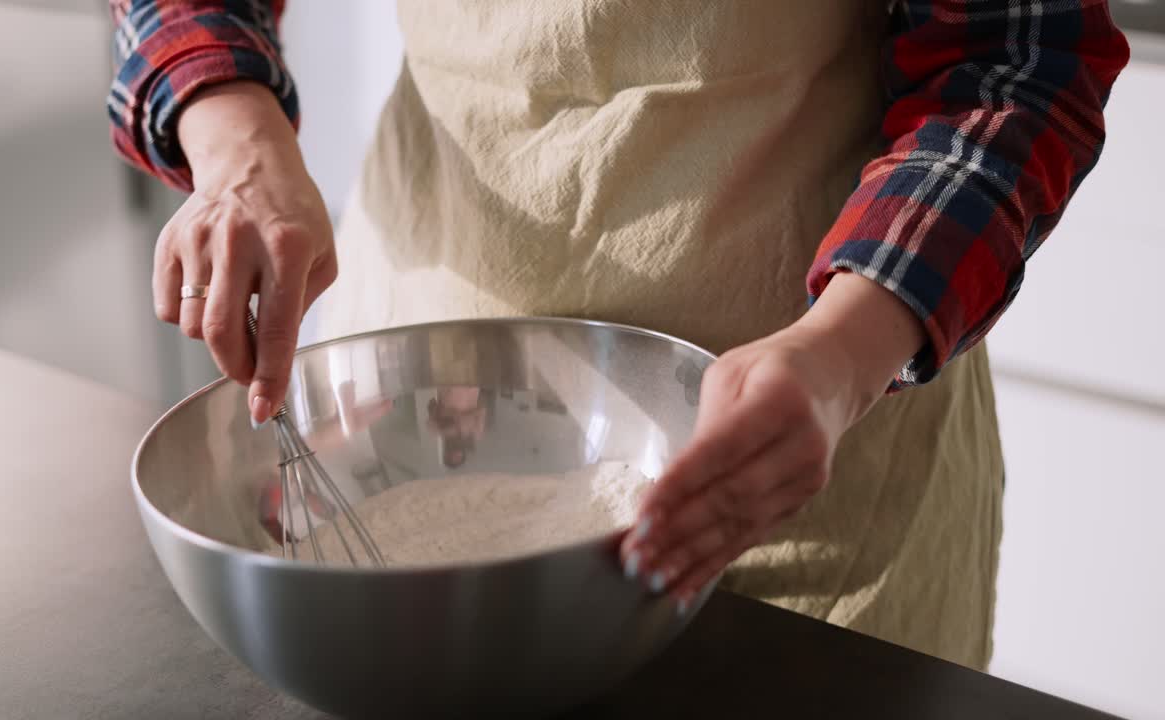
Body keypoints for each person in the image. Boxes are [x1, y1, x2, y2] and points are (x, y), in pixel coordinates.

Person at [107, 0, 1129, 668]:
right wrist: (234, 138)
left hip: (809, 439)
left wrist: (840, 357)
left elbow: (1018, 61)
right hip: (420, 394)